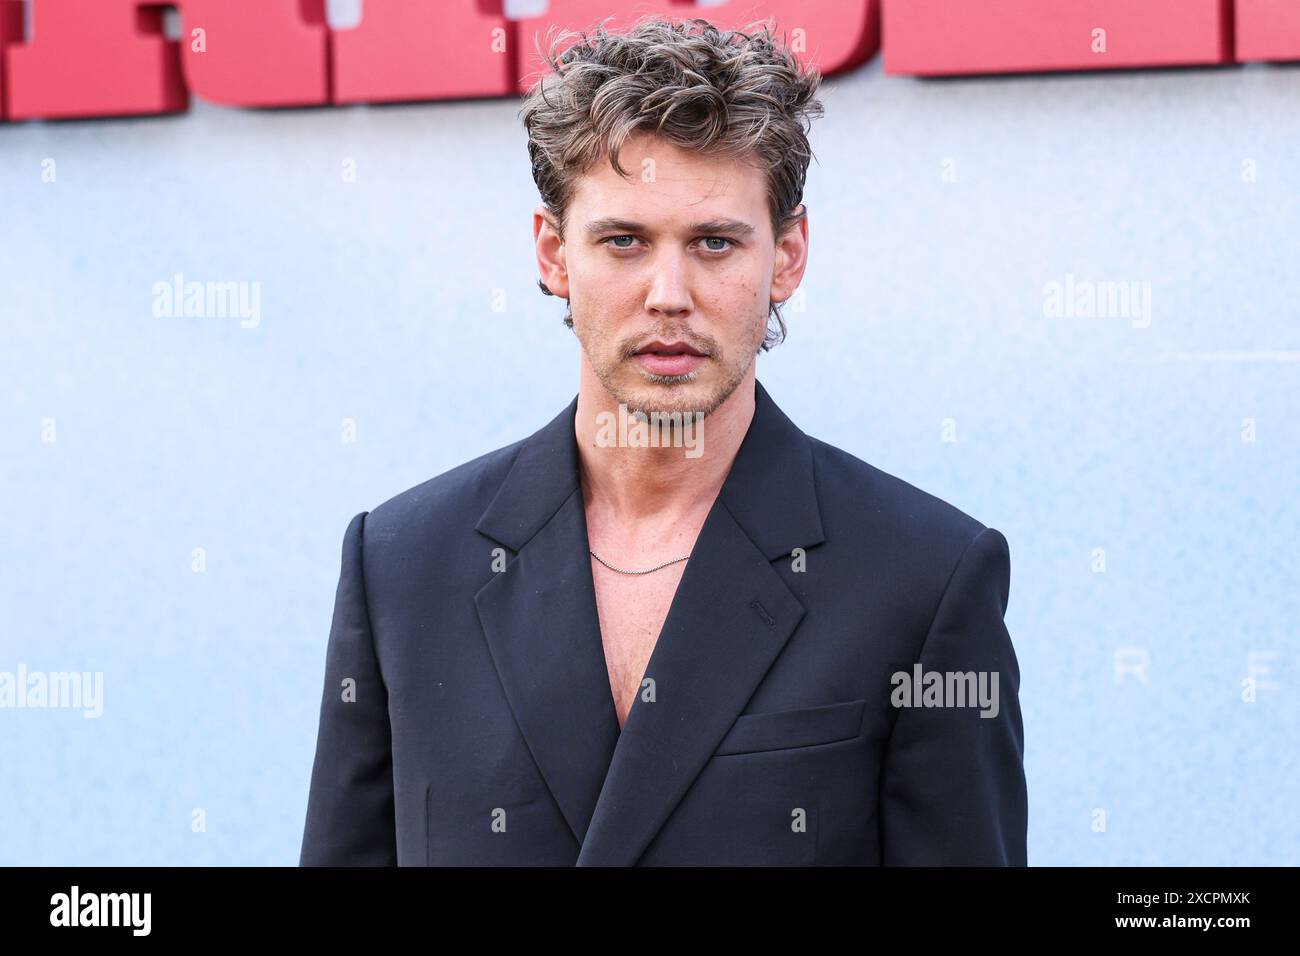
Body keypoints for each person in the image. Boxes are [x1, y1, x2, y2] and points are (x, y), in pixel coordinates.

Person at [299, 15, 1027, 866]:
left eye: (715, 242)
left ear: (787, 255)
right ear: (553, 253)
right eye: (623, 242)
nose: (669, 294)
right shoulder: (401, 565)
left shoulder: (924, 578)